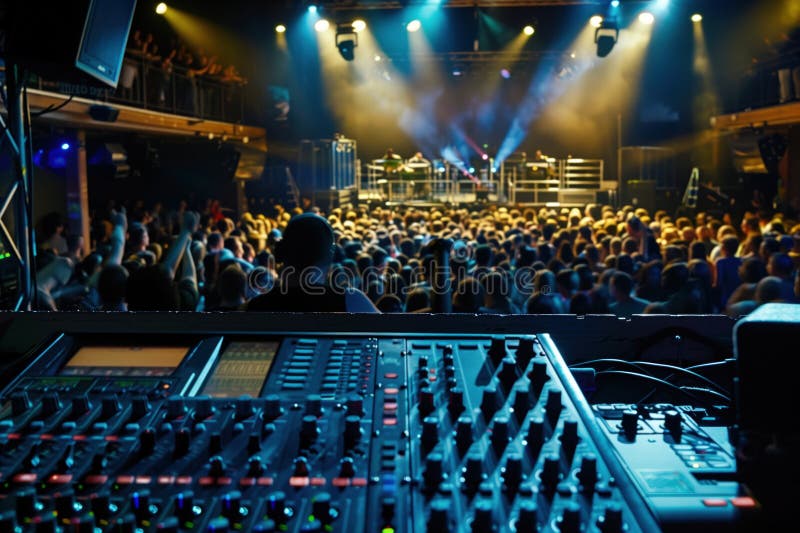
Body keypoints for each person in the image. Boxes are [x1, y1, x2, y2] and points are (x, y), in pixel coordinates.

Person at [247, 213, 378, 312]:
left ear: (280, 253)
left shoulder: (254, 307)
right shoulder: (351, 301)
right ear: (329, 255)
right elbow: (392, 340)